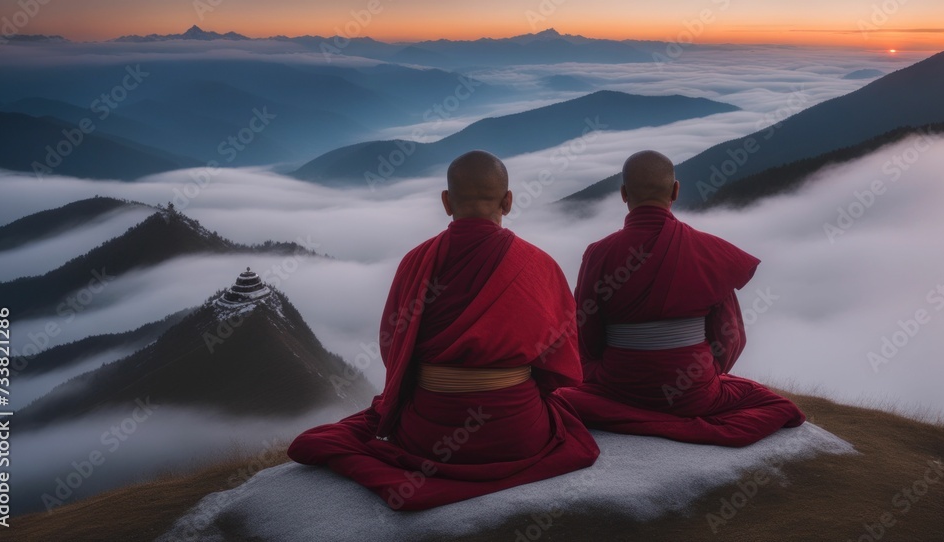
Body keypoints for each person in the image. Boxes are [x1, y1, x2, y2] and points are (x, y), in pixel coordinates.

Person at [288, 150, 599, 510]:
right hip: (517, 431)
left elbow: (394, 351)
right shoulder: (539, 265)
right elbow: (560, 366)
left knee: (325, 438)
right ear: (509, 201)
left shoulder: (415, 262)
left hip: (428, 432)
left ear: (447, 202)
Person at [556, 150, 805, 447]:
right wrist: (705, 375)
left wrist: (604, 373)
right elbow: (730, 337)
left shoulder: (599, 252)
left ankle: (625, 411)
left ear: (623, 194)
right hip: (692, 392)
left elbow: (586, 332)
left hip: (617, 386)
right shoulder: (707, 251)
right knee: (777, 406)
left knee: (560, 398)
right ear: (675, 190)